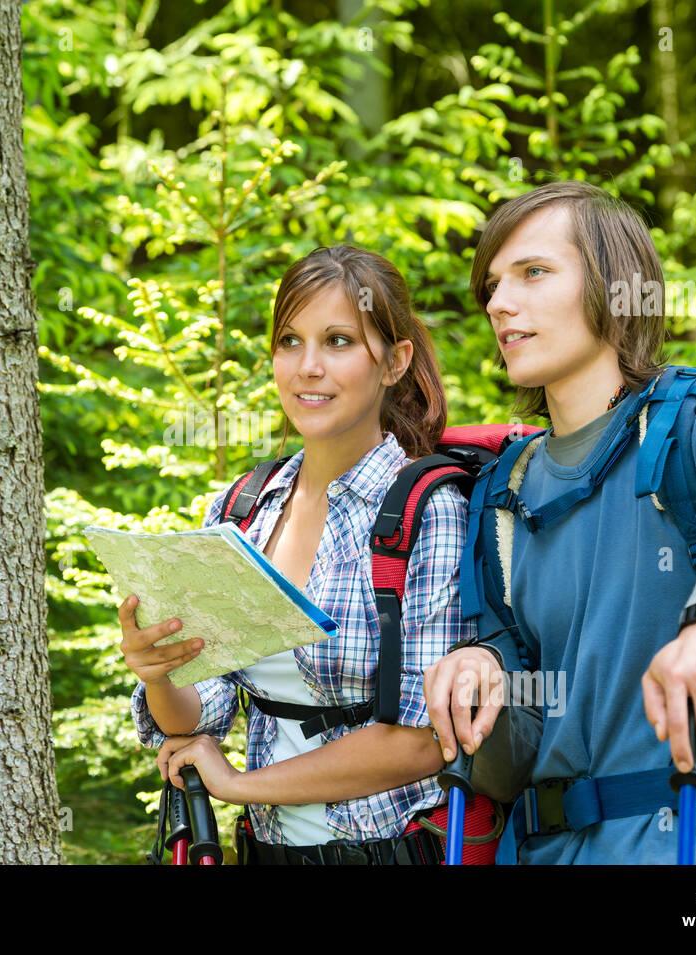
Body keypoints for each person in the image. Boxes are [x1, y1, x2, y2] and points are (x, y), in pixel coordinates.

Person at [424, 180, 696, 864]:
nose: (497, 303)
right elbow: (517, 750)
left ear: (615, 284)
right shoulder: (503, 490)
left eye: (533, 272)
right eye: (491, 284)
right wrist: (479, 675)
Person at [119, 245, 474, 864]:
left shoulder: (426, 511)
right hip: (263, 851)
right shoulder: (240, 512)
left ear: (395, 361)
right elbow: (201, 713)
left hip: (385, 852)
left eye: (339, 341)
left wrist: (239, 785)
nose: (308, 366)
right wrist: (158, 674)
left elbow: (426, 740)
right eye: (290, 341)